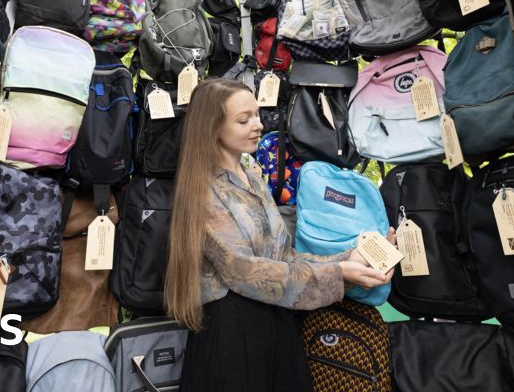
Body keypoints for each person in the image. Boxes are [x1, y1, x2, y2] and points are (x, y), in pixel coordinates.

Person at [164, 78, 394, 392]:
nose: (258, 125)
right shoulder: (202, 191)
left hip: (277, 326)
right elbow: (243, 272)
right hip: (234, 338)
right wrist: (339, 273)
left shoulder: (254, 178)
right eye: (243, 120)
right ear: (212, 127)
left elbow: (284, 256)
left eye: (257, 115)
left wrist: (352, 258)